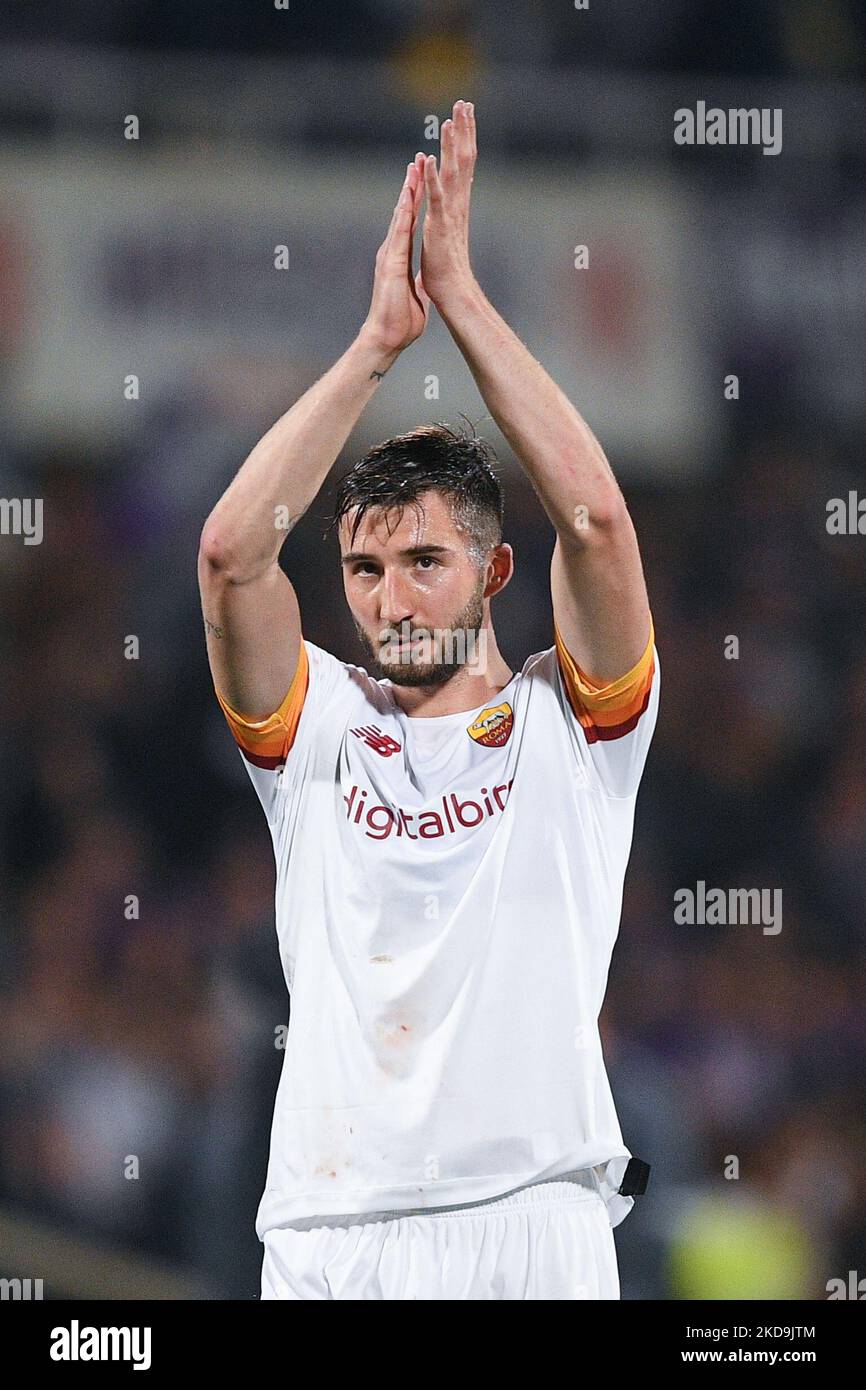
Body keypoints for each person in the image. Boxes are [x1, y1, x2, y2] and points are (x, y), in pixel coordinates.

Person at [198, 100, 658, 1300]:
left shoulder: (575, 725)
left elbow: (596, 519)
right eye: (362, 568)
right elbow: (234, 557)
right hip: (327, 1232)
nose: (390, 598)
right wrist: (372, 348)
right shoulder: (318, 734)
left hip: (529, 1223)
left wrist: (461, 298)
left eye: (422, 562)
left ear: (493, 571)